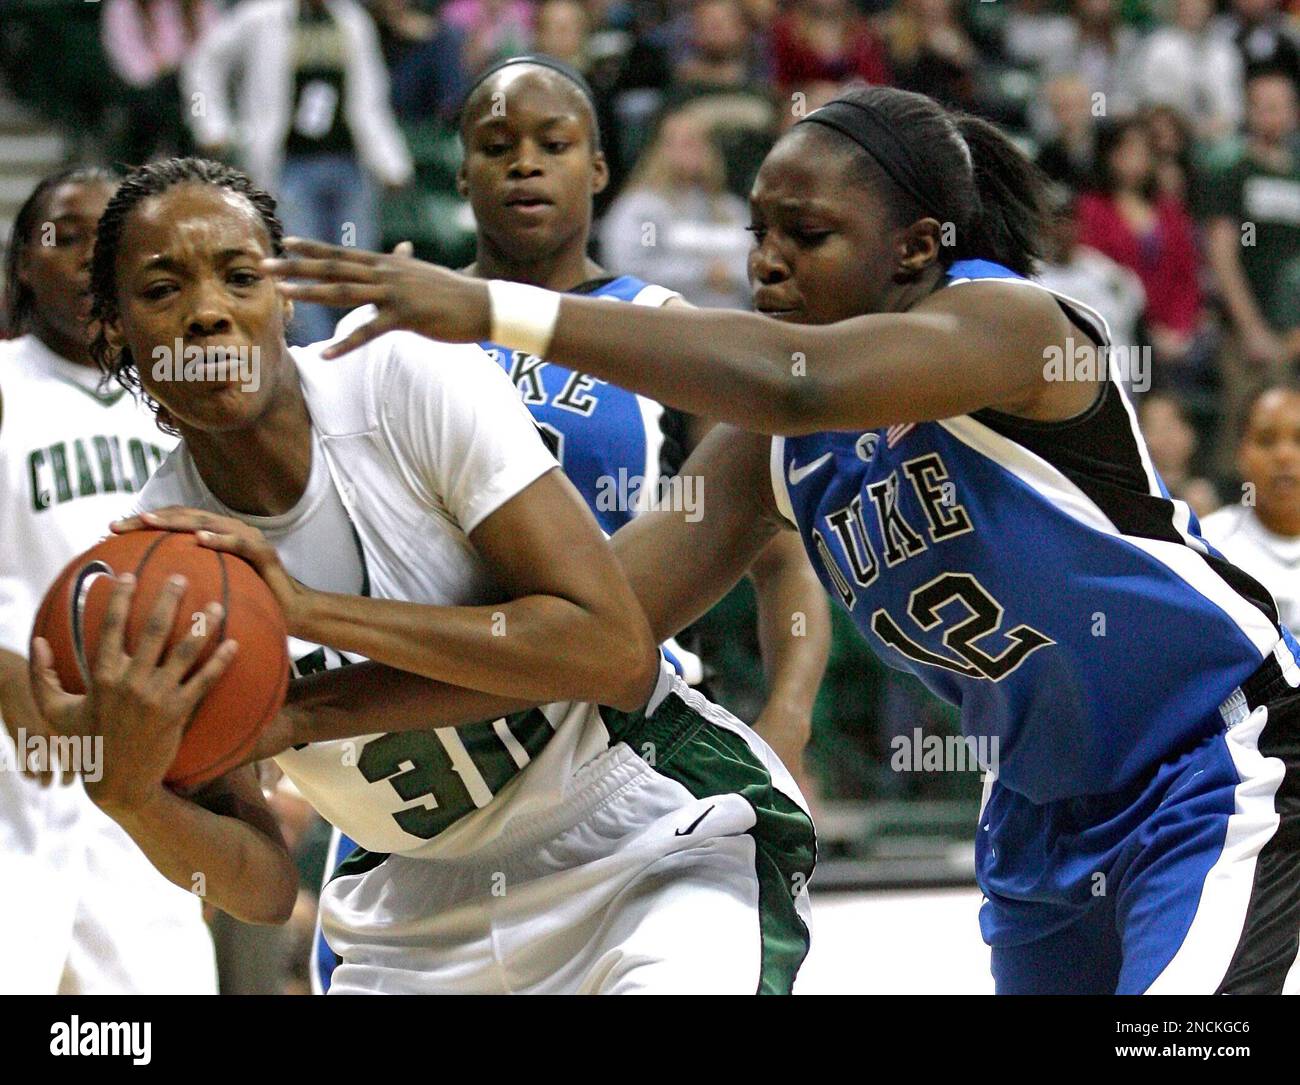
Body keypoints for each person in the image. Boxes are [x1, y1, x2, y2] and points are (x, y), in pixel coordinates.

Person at [272, 84, 1300, 994]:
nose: (764, 258)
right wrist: (300, 697)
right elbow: (590, 643)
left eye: (804, 234)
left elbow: (788, 374)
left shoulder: (1016, 327)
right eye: (758, 227)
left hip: (1205, 758)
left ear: (914, 244)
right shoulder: (773, 450)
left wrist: (493, 307)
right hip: (1035, 812)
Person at [33, 156, 814, 995]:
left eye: (240, 276)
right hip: (413, 910)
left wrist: (308, 627)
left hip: (626, 827)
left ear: (285, 299)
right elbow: (259, 887)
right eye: (161, 292)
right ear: (112, 331)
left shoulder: (399, 380)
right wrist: (130, 792)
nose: (208, 314)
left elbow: (613, 650)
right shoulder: (165, 566)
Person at [306, 54, 830, 992]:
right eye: (495, 147)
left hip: (613, 746)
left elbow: (781, 558)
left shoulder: (660, 330)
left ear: (598, 168)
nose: (524, 166)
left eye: (554, 144)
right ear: (460, 172)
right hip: (433, 768)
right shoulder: (383, 343)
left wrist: (788, 717)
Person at [0, 168, 216, 994]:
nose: (91, 257)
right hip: (16, 742)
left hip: (146, 746)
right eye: (68, 235)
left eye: (111, 240)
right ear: (23, 262)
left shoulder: (184, 395)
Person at [181, 0, 413, 344]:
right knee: (299, 273)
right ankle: (318, 359)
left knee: (356, 270)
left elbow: (371, 96)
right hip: (288, 168)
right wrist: (212, 125)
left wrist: (392, 161)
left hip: (350, 166)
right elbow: (205, 61)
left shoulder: (350, 19)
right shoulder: (261, 16)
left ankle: (358, 359)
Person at [1201, 383, 1300, 637]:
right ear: (1240, 454)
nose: (1284, 456)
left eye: (1299, 440)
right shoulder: (1207, 546)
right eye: (1266, 441)